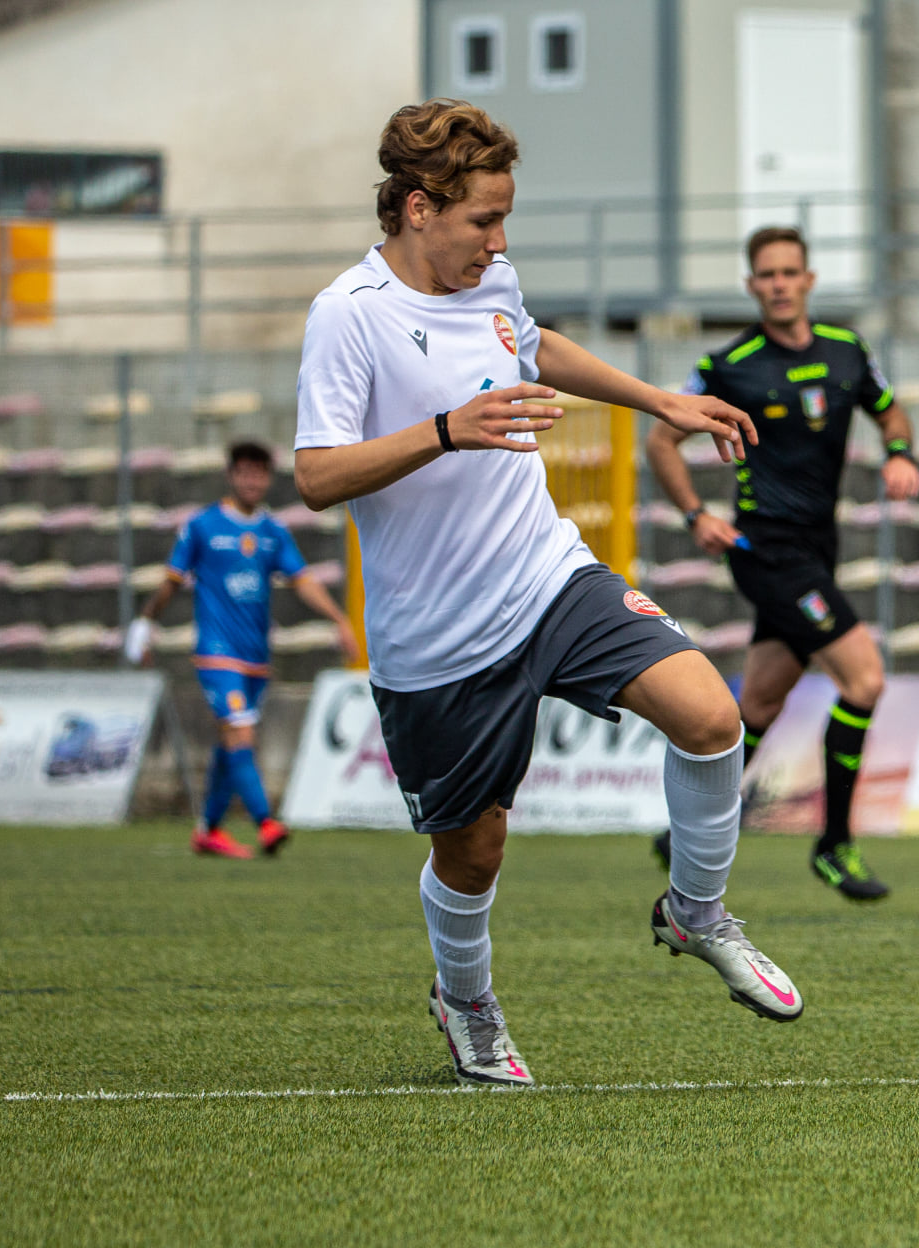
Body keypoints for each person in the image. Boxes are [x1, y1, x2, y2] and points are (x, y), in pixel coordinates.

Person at [293, 99, 800, 1088]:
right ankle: (468, 1002)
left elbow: (532, 341)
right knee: (474, 854)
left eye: (504, 217)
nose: (500, 239)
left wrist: (657, 398)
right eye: (484, 219)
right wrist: (446, 427)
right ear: (416, 207)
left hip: (547, 575)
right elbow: (316, 475)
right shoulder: (349, 314)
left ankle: (695, 910)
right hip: (437, 638)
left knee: (708, 713)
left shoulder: (493, 279)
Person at [644, 224, 919, 901]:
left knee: (762, 699)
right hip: (765, 551)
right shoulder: (727, 365)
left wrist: (900, 455)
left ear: (808, 280)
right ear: (751, 286)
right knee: (863, 680)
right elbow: (658, 442)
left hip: (817, 550)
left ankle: (682, 831)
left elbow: (890, 415)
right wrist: (694, 514)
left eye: (788, 272)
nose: (778, 284)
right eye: (765, 274)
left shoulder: (846, 352)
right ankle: (834, 846)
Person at [125, 440, 358, 859]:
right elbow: (171, 581)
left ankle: (209, 830)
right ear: (231, 475)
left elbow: (302, 580)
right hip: (217, 653)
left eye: (260, 473)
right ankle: (265, 822)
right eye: (245, 472)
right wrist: (146, 622)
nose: (253, 480)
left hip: (255, 657)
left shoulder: (272, 531)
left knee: (230, 742)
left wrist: (338, 620)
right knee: (240, 733)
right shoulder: (202, 526)